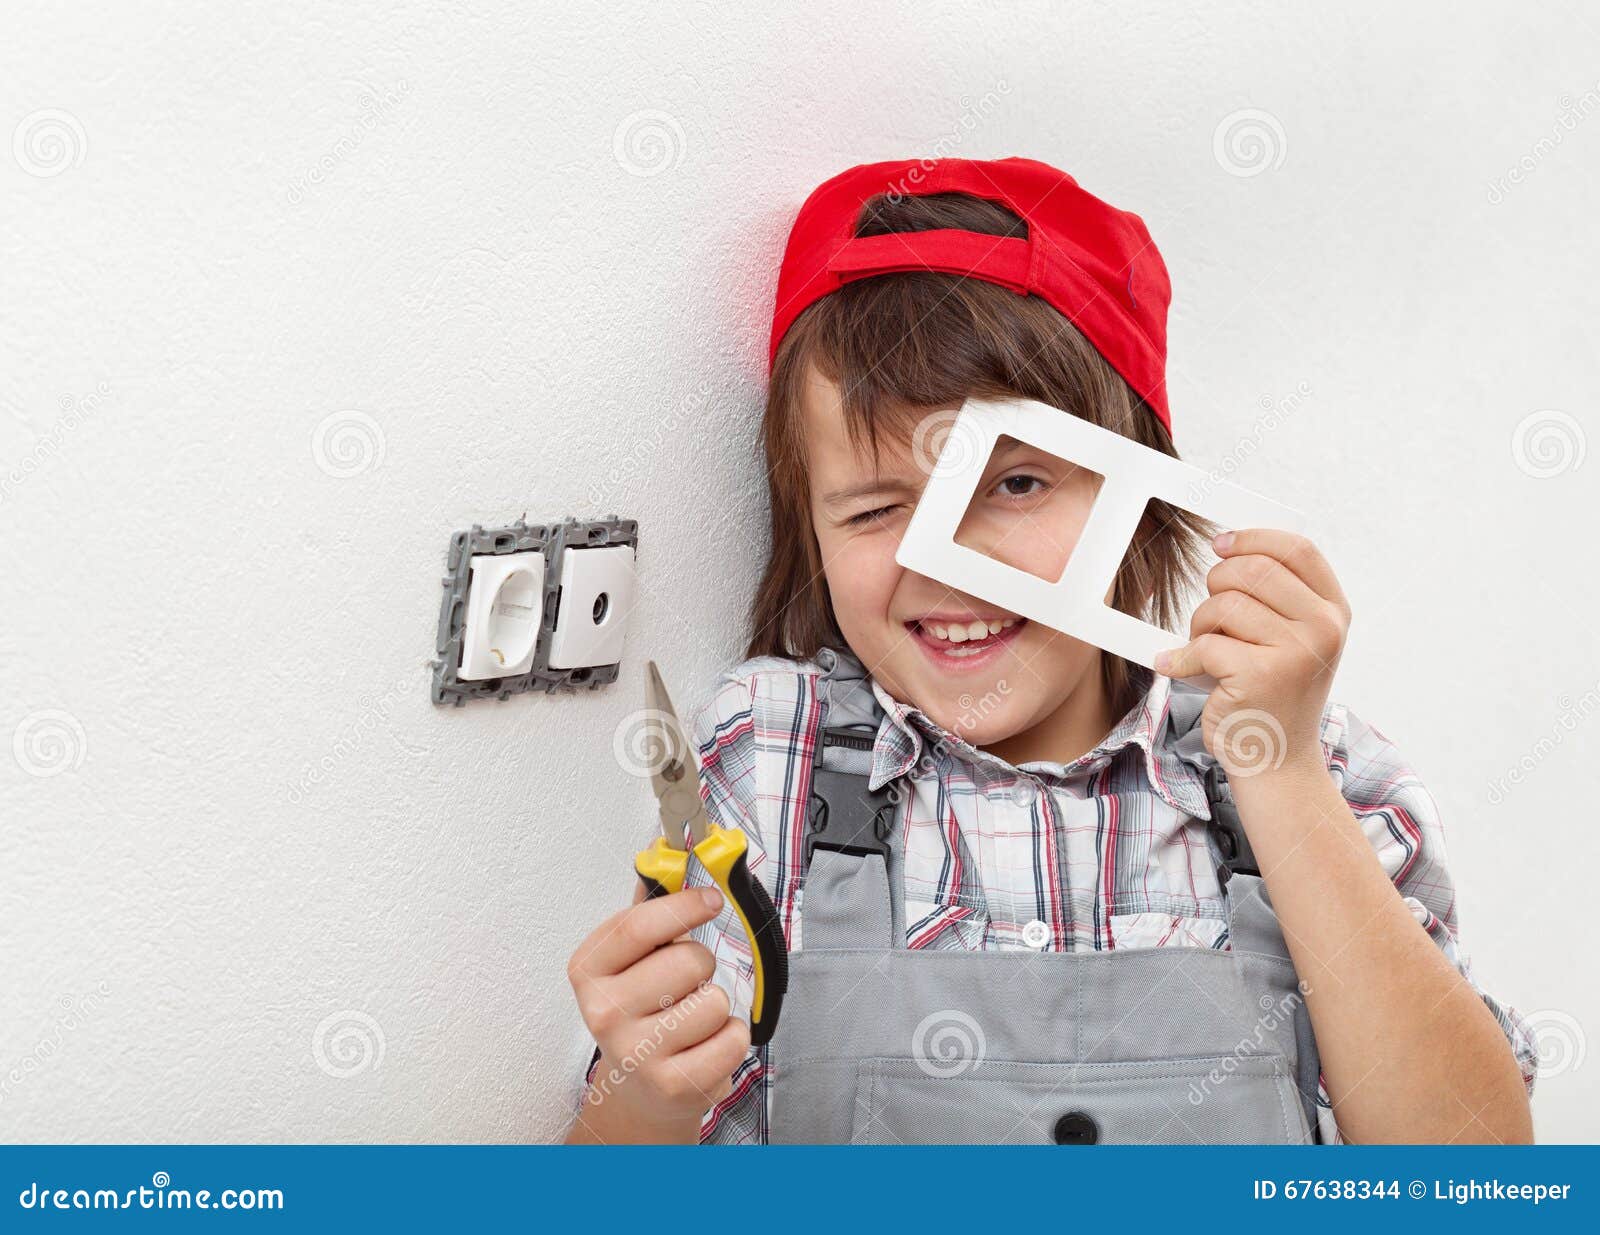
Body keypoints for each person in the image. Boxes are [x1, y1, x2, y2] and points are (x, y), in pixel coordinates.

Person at [564, 157, 1538, 1145]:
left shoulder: (1320, 769)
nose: (947, 570)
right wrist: (644, 1099)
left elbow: (1471, 1176)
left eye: (1018, 485)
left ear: (1142, 502)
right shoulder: (774, 748)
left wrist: (1279, 771)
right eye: (873, 508)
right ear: (807, 535)